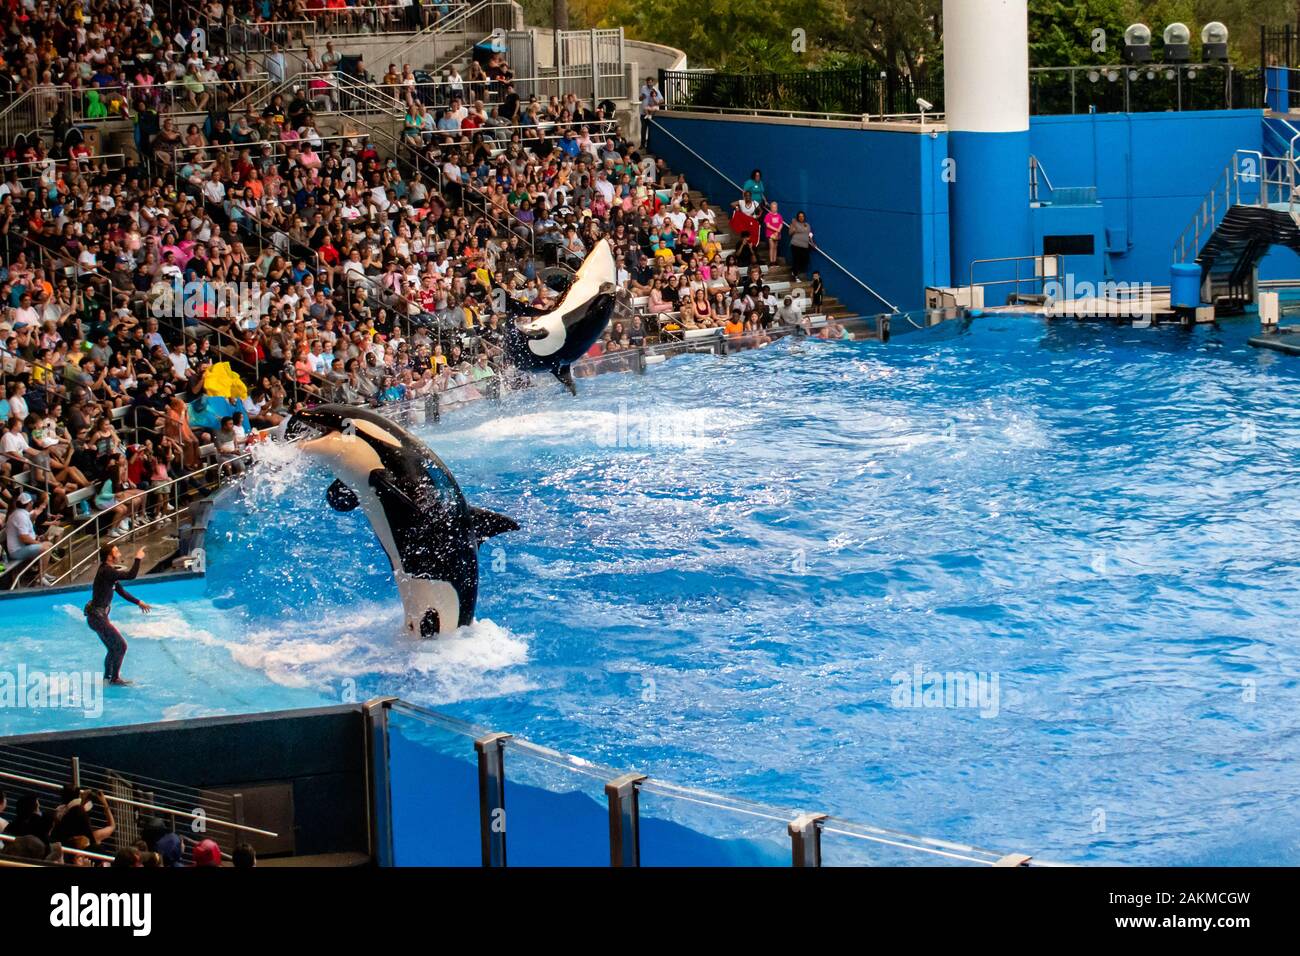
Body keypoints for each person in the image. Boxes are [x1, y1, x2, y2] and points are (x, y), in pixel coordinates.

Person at [85, 543, 152, 686]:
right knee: (121, 646)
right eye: (117, 552)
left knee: (112, 648)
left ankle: (107, 678)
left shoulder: (108, 572)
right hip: (97, 617)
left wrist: (138, 602)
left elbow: (120, 590)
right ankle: (114, 678)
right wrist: (138, 558)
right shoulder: (106, 571)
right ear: (110, 556)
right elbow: (131, 575)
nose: (120, 554)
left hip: (96, 617)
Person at [5, 493, 52, 584]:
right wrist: (37, 543)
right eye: (31, 502)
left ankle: (42, 573)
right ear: (29, 503)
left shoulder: (21, 513)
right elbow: (24, 538)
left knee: (48, 544)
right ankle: (40, 578)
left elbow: (27, 534)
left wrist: (37, 538)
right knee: (45, 548)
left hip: (22, 547)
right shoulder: (20, 516)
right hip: (17, 551)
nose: (33, 503)